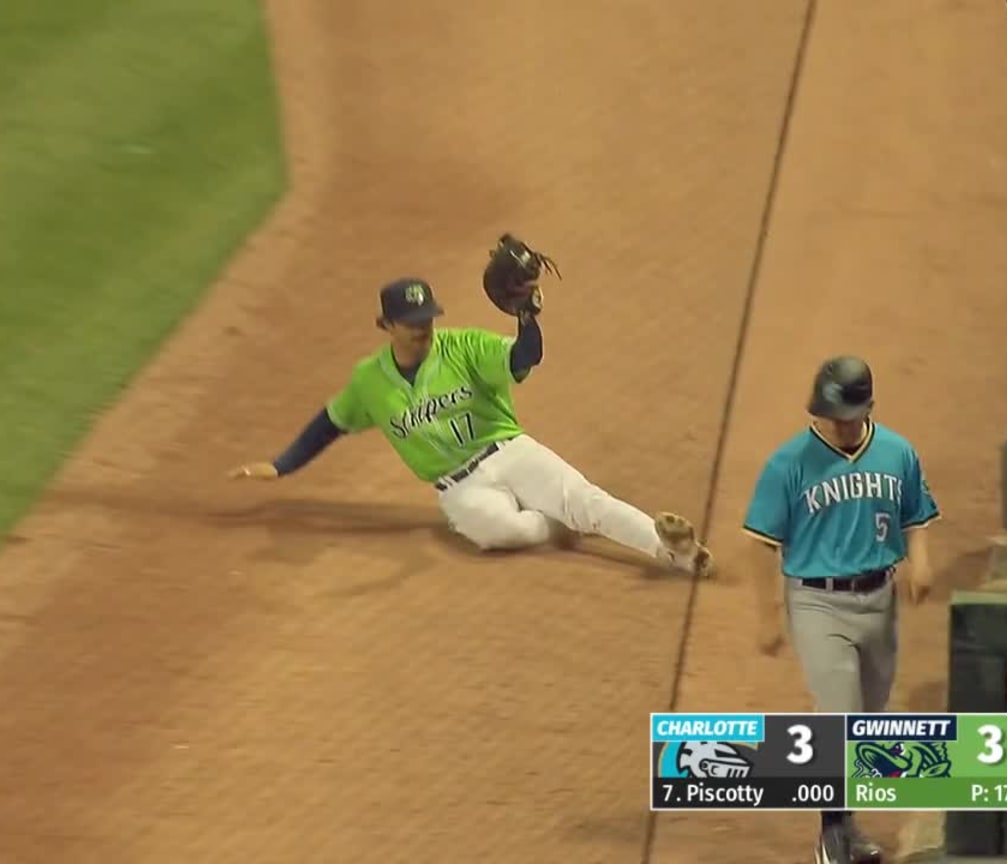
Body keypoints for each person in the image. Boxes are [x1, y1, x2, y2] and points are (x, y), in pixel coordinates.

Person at [228, 275, 711, 575]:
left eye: (428, 317)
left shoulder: (463, 346)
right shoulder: (368, 381)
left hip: (509, 450)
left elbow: (524, 357)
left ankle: (678, 551)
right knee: (503, 533)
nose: (424, 326)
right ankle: (560, 522)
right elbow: (330, 423)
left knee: (586, 499)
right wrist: (282, 465)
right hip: (458, 487)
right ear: (385, 325)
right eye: (412, 320)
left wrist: (527, 317)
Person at [744, 356, 939, 864]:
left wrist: (920, 560)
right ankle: (831, 836)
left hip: (880, 599)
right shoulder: (789, 464)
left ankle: (849, 828)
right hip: (817, 601)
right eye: (829, 415)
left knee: (868, 722)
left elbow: (916, 514)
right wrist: (768, 615)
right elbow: (761, 543)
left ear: (867, 407)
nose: (838, 424)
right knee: (840, 716)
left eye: (846, 415)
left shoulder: (897, 452)